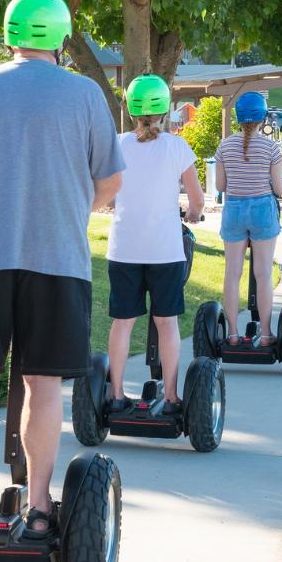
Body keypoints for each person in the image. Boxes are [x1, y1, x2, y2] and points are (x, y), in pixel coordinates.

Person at [0, 0, 124, 540]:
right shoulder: (85, 94)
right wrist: (68, 207)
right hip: (56, 259)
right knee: (41, 383)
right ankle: (39, 509)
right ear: (62, 37)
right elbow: (109, 181)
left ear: (11, 33)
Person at [105, 75, 204, 416]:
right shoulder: (177, 147)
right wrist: (193, 214)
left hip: (124, 250)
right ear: (165, 108)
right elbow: (197, 200)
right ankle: (172, 397)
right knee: (166, 323)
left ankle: (116, 395)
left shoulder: (117, 145)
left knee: (123, 322)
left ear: (130, 109)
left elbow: (108, 195)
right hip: (164, 251)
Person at [215, 91, 282, 345]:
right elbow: (278, 189)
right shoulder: (271, 147)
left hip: (234, 209)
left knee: (232, 273)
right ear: (263, 117)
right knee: (263, 274)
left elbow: (220, 185)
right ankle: (265, 334)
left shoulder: (225, 146)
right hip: (262, 210)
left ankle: (232, 333)